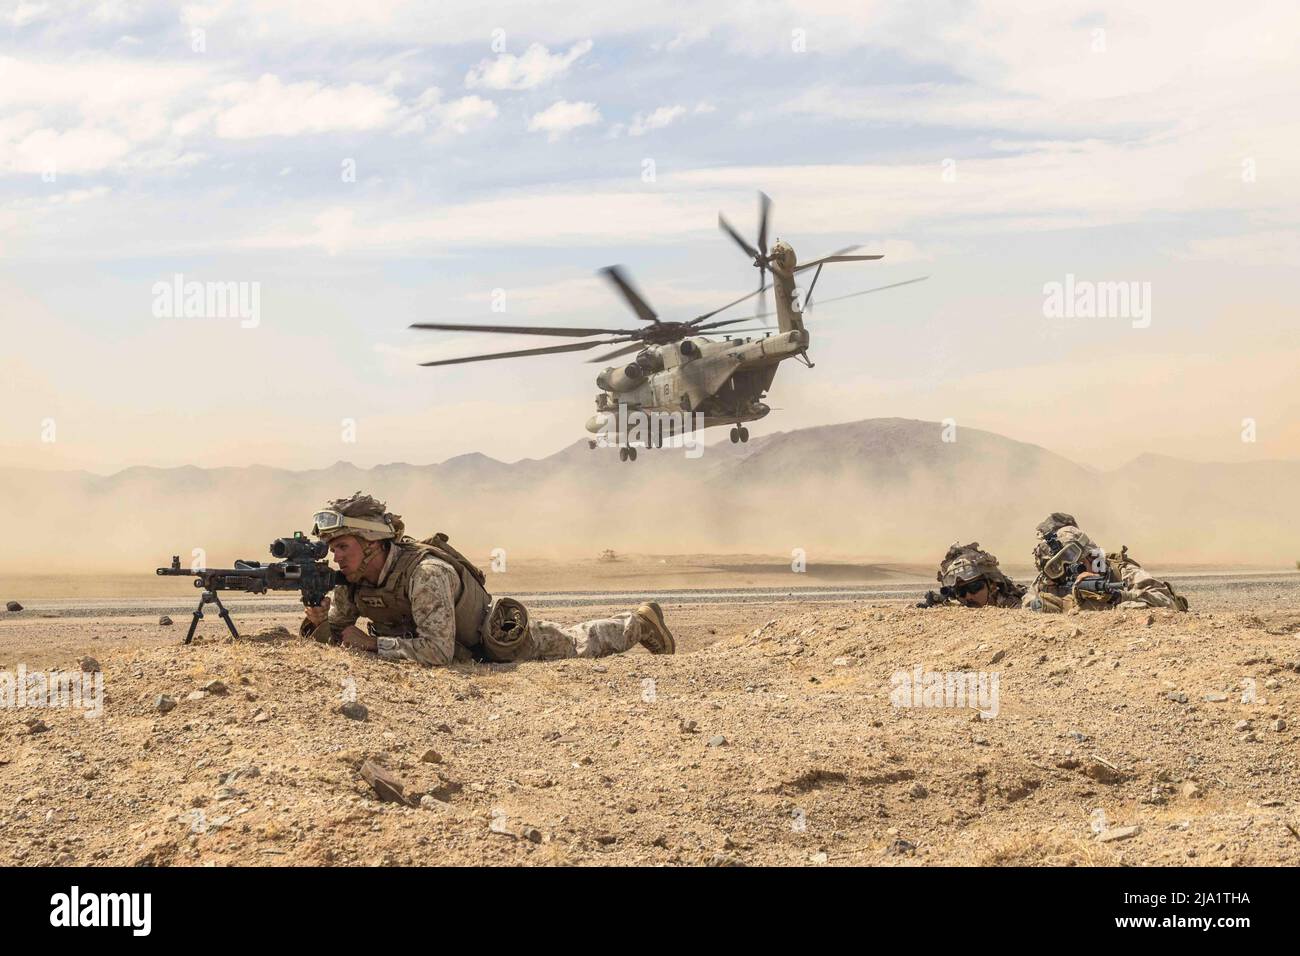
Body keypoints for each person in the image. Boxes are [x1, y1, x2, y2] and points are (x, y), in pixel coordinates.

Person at [299, 492, 675, 665]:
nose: (336, 556)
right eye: (332, 548)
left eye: (343, 546)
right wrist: (318, 624)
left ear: (371, 543)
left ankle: (639, 624)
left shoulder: (426, 574)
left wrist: (371, 646)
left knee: (578, 643)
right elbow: (340, 635)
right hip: (466, 653)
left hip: (493, 641)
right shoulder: (354, 580)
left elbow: (437, 652)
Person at [1022, 512, 1188, 613]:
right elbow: (1027, 606)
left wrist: (1116, 597)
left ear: (1089, 554)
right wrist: (1066, 603)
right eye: (1057, 567)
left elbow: (1167, 602)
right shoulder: (1049, 581)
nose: (1069, 570)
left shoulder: (1122, 571)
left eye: (1074, 559)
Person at [917, 542, 1026, 608]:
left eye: (975, 587)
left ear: (992, 585)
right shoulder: (965, 606)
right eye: (961, 592)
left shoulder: (1016, 606)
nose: (968, 596)